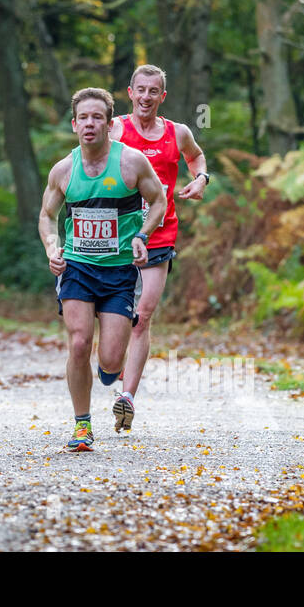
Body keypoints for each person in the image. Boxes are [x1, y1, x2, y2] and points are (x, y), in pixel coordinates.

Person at [39, 87, 166, 452]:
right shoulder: (64, 170)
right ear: (74, 124)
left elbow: (158, 200)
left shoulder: (132, 163)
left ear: (110, 125)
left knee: (109, 364)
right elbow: (47, 216)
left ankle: (111, 373)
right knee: (79, 342)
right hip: (78, 267)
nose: (90, 124)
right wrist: (52, 246)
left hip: (119, 273)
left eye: (98, 118)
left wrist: (142, 235)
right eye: (84, 118)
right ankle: (82, 425)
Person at [106, 64, 209, 433]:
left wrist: (201, 179)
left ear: (162, 97)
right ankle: (111, 361)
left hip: (159, 234)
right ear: (129, 93)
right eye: (141, 90)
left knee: (144, 315)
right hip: (114, 237)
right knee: (113, 316)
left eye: (154, 91)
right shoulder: (115, 128)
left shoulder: (177, 132)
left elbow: (197, 157)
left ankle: (127, 398)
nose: (146, 97)